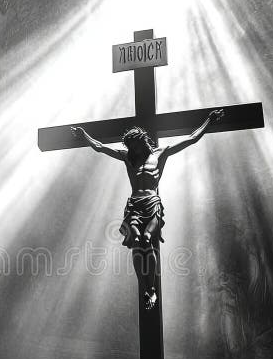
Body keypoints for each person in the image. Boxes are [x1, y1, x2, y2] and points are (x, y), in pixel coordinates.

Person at [71, 109, 224, 309]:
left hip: (152, 203)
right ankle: (144, 287)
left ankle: (151, 288)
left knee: (146, 239)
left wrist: (209, 121)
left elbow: (191, 138)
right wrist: (85, 136)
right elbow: (100, 147)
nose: (133, 150)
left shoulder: (161, 153)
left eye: (135, 145)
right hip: (134, 205)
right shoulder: (127, 157)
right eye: (130, 147)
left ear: (143, 141)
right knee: (135, 241)